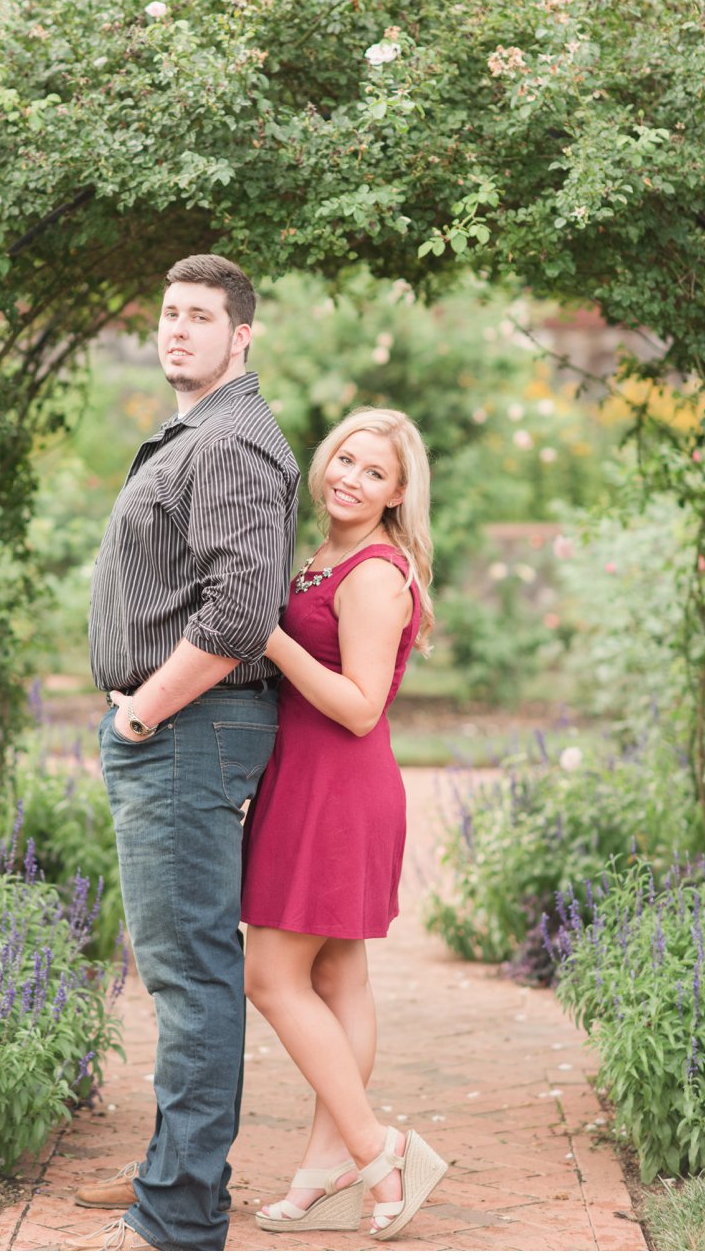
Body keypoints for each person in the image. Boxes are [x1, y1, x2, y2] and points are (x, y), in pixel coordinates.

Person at [70, 253, 300, 1252]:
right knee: (185, 967)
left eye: (200, 316)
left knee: (190, 973)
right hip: (176, 733)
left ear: (239, 334)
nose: (177, 330)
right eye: (168, 314)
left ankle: (174, 1217)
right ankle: (178, 1184)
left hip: (183, 734)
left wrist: (137, 716)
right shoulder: (195, 434)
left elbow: (239, 615)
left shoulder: (232, 444)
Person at [239, 407, 449, 1240]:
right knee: (337, 978)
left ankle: (377, 1147)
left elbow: (362, 707)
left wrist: (273, 643)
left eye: (373, 472)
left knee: (270, 977)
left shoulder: (372, 572)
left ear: (397, 494)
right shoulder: (322, 556)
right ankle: (325, 1167)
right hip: (307, 780)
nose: (350, 478)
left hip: (341, 787)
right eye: (344, 459)